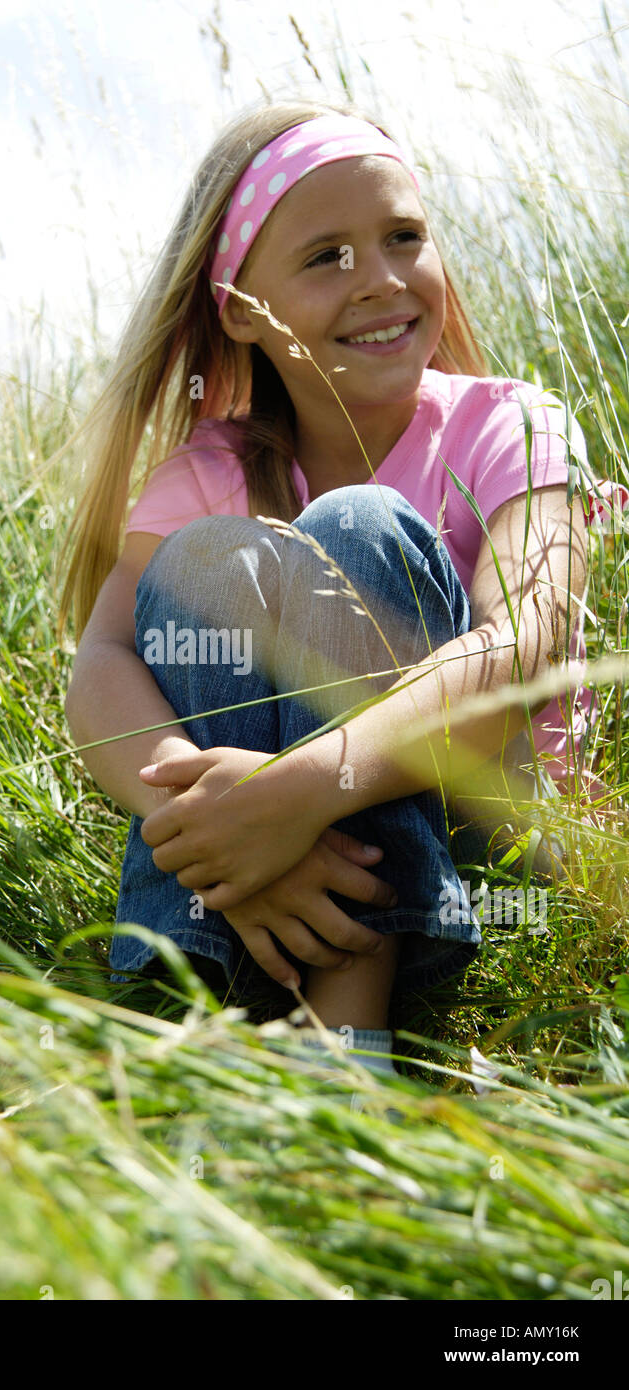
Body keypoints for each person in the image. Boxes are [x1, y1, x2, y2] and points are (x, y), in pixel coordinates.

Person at [57, 100, 609, 1076]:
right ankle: (199, 1003)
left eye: (403, 237)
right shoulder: (208, 467)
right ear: (236, 308)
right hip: (259, 853)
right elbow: (99, 660)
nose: (382, 280)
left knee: (354, 526)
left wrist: (302, 789)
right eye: (326, 257)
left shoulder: (506, 426)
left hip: (489, 835)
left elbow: (529, 639)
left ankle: (341, 1050)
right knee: (203, 563)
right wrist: (217, 821)